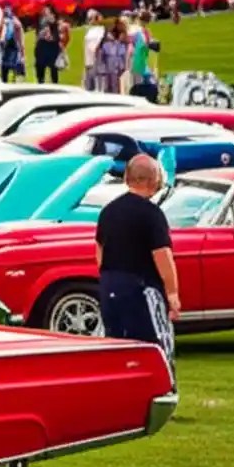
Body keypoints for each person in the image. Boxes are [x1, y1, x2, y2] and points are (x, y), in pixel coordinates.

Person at [96, 153, 177, 378]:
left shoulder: (108, 212)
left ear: (127, 178)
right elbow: (162, 256)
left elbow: (99, 251)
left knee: (117, 344)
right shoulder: (152, 214)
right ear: (154, 179)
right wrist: (172, 293)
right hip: (142, 290)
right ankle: (163, 386)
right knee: (156, 345)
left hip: (111, 287)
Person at [95, 21, 128, 94]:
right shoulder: (106, 45)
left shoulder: (121, 45)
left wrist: (122, 68)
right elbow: (101, 59)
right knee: (108, 89)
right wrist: (102, 70)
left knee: (115, 89)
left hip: (116, 72)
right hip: (108, 71)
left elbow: (122, 58)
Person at [82, 11, 105, 92]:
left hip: (96, 58)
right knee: (88, 80)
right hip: (88, 58)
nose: (90, 21)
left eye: (92, 19)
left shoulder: (101, 30)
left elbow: (99, 43)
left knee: (96, 77)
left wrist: (95, 52)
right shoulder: (89, 30)